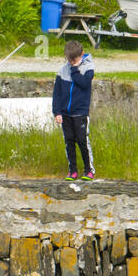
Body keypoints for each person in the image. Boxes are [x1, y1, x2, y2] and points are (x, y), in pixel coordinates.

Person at [52, 39, 95, 180]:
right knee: (69, 140)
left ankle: (89, 170)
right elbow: (56, 93)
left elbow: (84, 84)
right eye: (69, 60)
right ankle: (73, 170)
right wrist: (57, 112)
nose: (71, 63)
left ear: (81, 55)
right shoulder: (62, 70)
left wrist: (75, 70)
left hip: (80, 112)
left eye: (74, 60)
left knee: (82, 140)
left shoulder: (88, 68)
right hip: (65, 114)